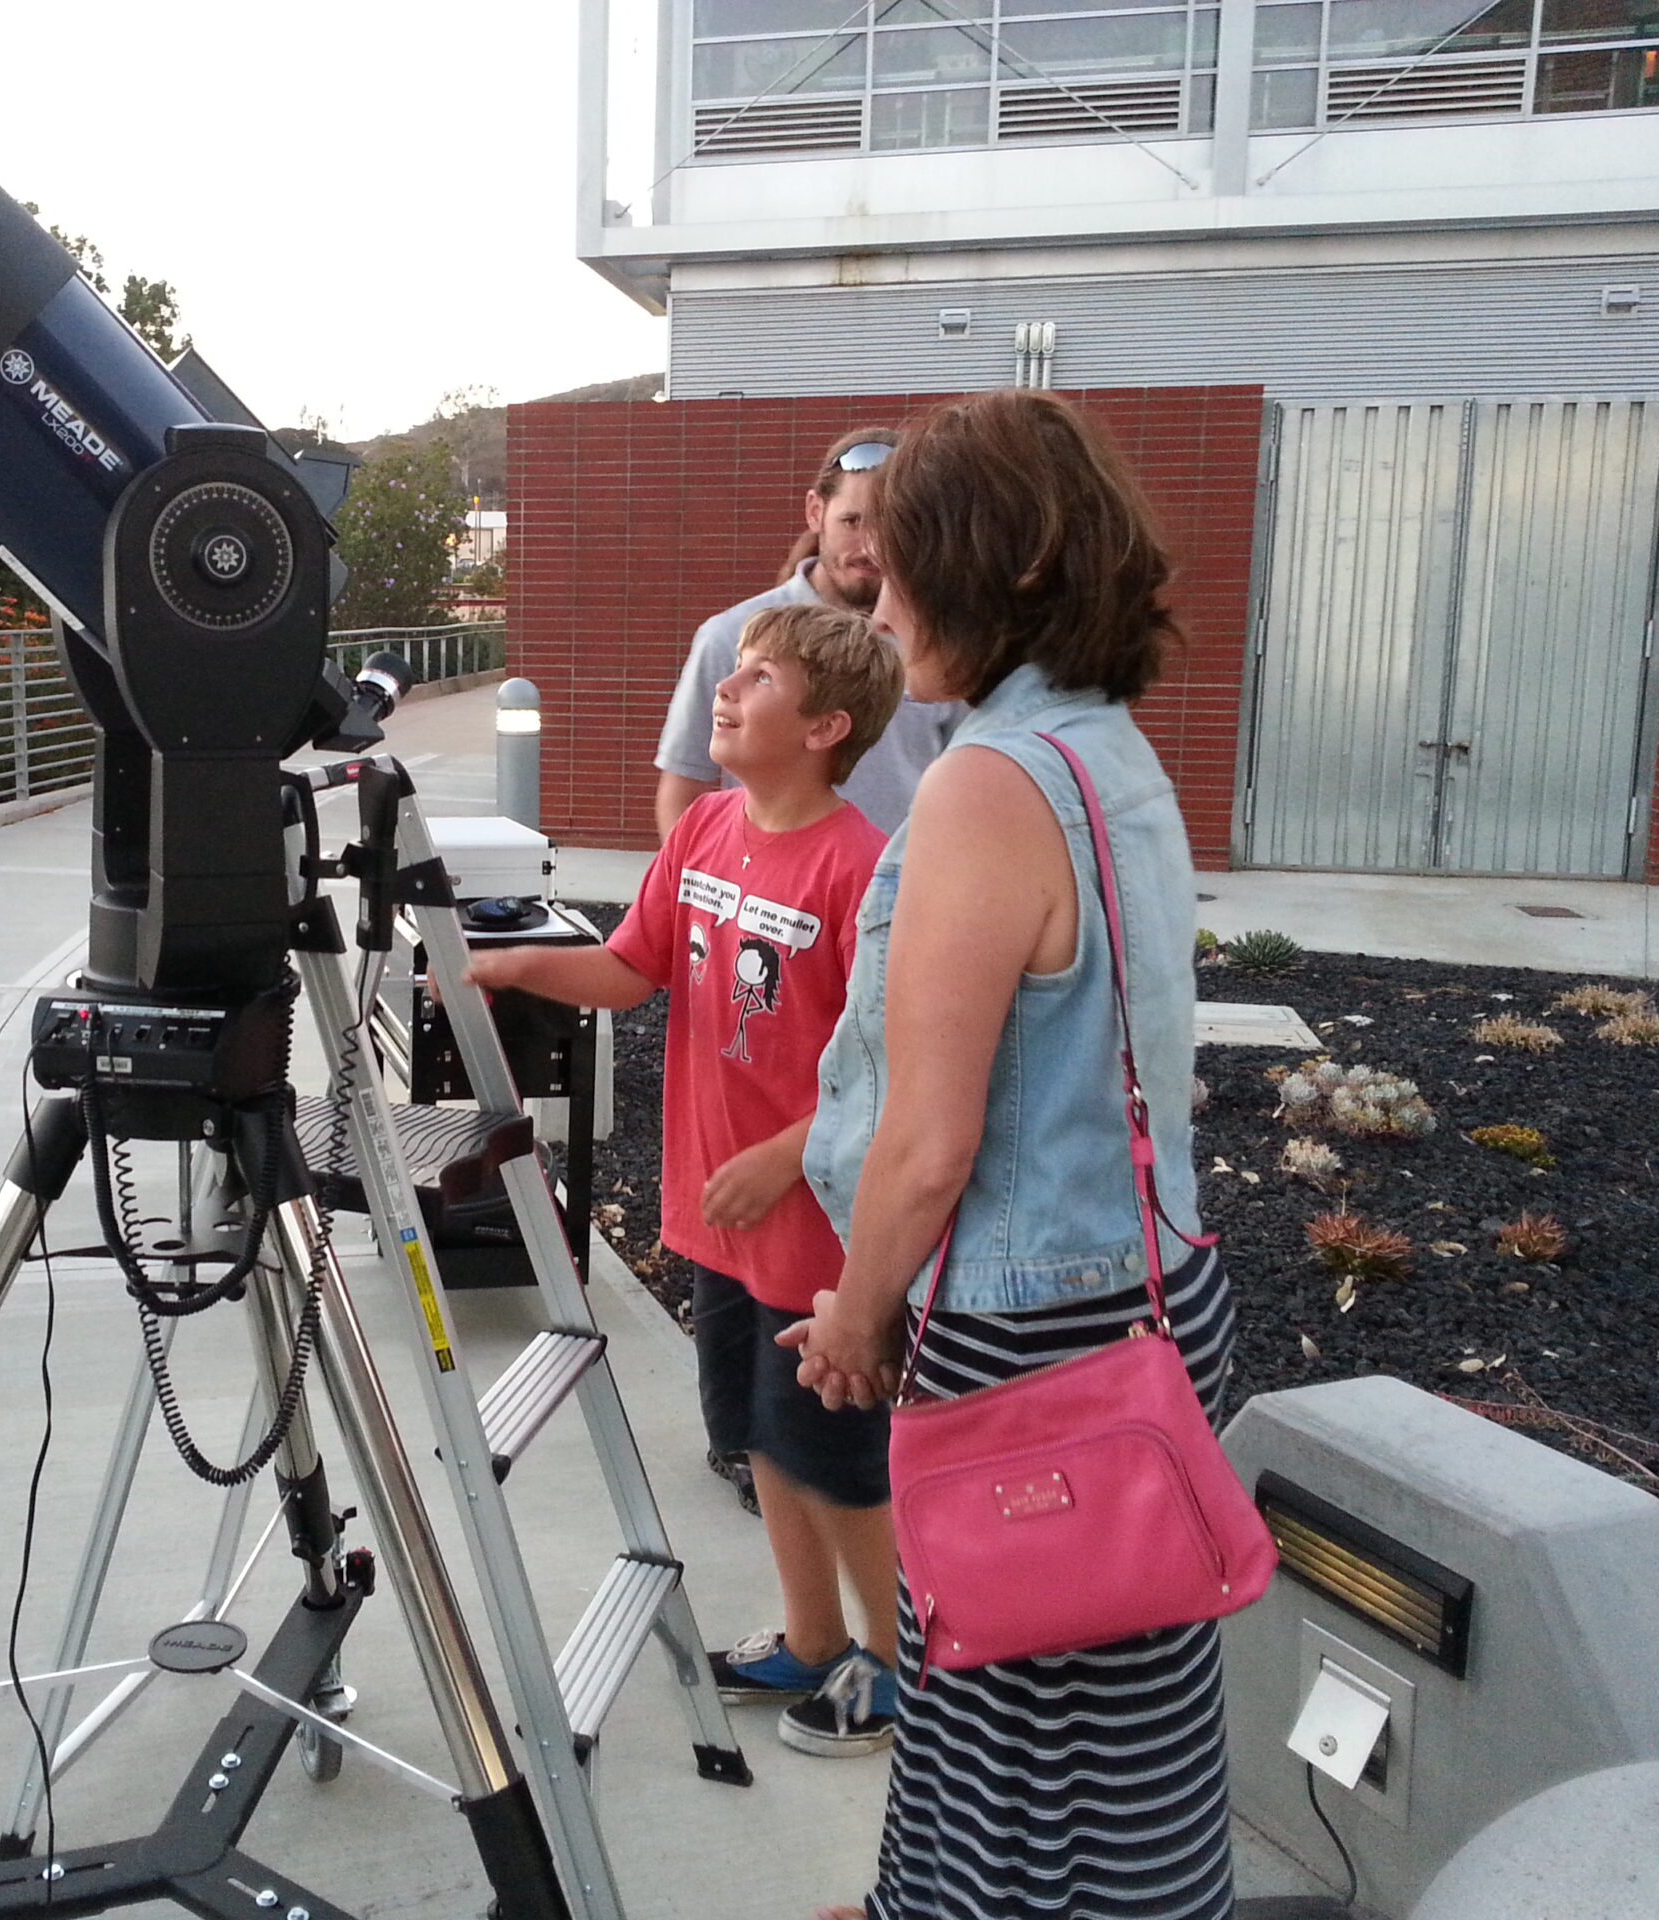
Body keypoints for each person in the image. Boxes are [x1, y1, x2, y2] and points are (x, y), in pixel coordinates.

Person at [789, 390, 1237, 1918]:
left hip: (1032, 1335)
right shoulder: (1104, 750)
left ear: (1003, 566)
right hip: (1148, 1293)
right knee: (1104, 1722)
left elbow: (930, 1140)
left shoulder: (990, 784)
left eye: (904, 565)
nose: (879, 602)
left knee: (1020, 1744)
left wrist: (857, 1317)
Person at [467, 602, 906, 1757]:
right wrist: (511, 966)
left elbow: (893, 1068)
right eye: (733, 670)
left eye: (758, 679)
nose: (726, 688)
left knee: (838, 1462)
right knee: (760, 1437)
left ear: (826, 726)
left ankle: (898, 1666)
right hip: (721, 1219)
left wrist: (783, 1155)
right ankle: (810, 1639)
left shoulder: (862, 869)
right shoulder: (706, 827)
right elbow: (629, 969)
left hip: (814, 1234)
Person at [651, 429, 962, 842]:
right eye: (853, 521)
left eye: (894, 525)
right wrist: (700, 880)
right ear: (816, 511)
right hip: (766, 880)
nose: (871, 546)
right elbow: (683, 786)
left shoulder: (940, 644)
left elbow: (967, 786)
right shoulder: (730, 637)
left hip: (905, 878)